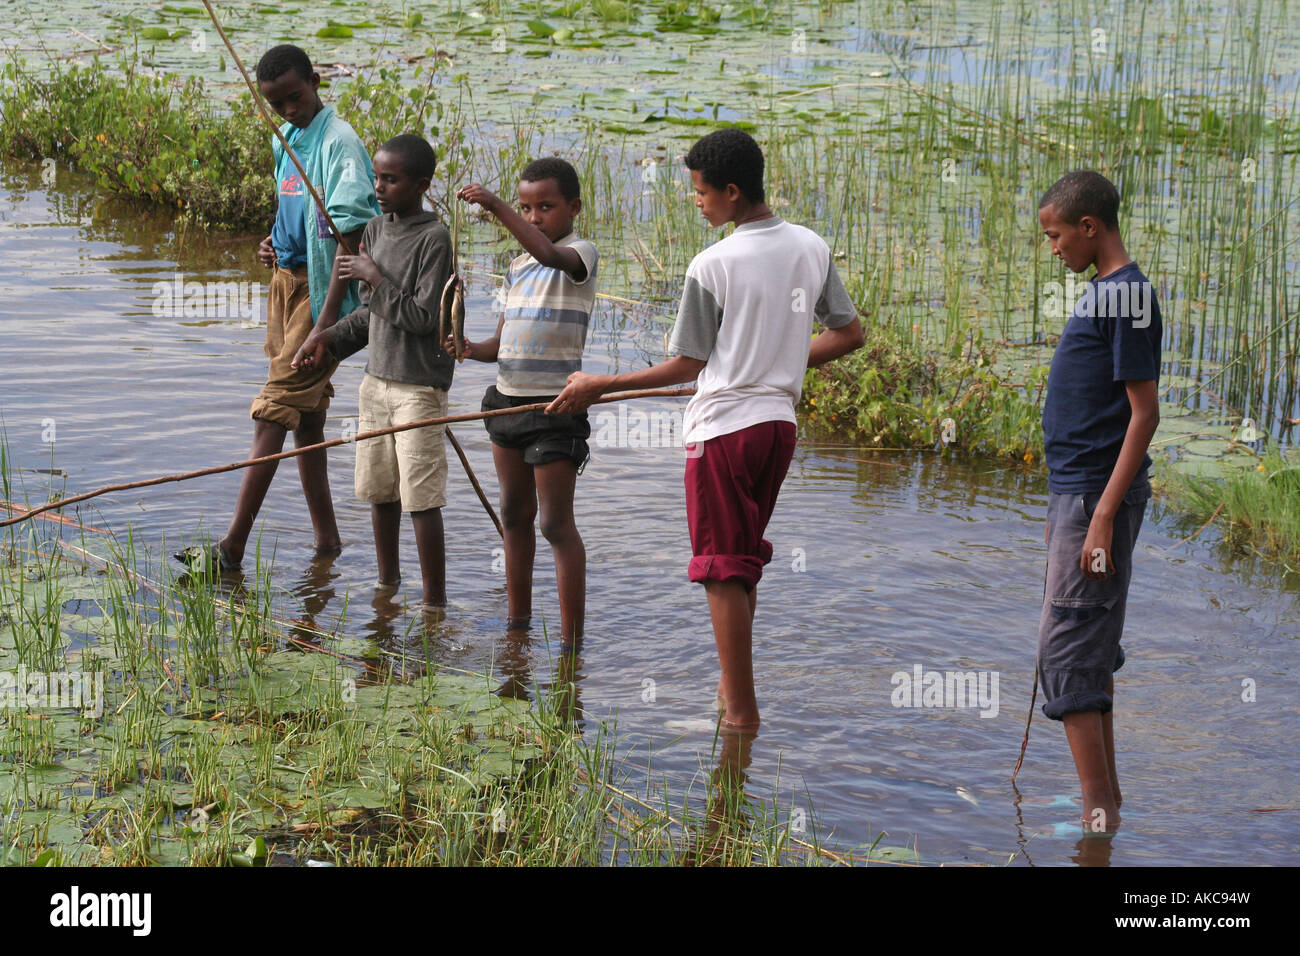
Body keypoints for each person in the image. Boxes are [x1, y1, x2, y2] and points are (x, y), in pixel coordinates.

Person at [547, 129, 864, 731]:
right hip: (777, 429)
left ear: (733, 191)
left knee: (720, 568)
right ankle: (728, 697)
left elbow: (686, 367)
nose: (697, 202)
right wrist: (778, 361)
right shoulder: (810, 246)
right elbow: (849, 333)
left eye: (701, 192)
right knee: (740, 561)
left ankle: (741, 717)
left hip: (723, 431)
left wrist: (598, 386)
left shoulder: (713, 263)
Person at [205, 44, 378, 572]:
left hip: (320, 296)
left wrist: (326, 327)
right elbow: (297, 213)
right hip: (285, 287)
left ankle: (231, 548)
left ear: (316, 81)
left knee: (274, 408)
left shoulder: (340, 143)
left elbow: (349, 242)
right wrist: (273, 242)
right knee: (306, 420)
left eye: (295, 97)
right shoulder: (287, 140)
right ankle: (327, 544)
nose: (287, 110)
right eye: (276, 103)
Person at [1036, 169, 1161, 832]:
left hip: (1092, 499)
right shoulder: (1110, 293)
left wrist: (1102, 519)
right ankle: (1105, 802)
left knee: (1067, 652)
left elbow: (1145, 413)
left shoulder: (1126, 298)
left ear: (1090, 227)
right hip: (1081, 495)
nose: (1053, 247)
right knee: (1090, 643)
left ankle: (1097, 813)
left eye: (1057, 235)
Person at [292, 135, 453, 607]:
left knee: (420, 499)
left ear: (421, 185)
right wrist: (329, 339)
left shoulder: (433, 239)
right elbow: (369, 316)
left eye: (391, 179)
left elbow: (425, 318)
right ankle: (387, 586)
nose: (379, 187)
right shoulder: (376, 232)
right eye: (377, 177)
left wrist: (374, 276)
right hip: (376, 381)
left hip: (418, 387)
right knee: (380, 491)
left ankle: (433, 604)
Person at [450, 159, 597, 647]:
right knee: (514, 516)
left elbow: (551, 255)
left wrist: (494, 206)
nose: (534, 218)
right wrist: (470, 349)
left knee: (555, 523)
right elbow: (502, 340)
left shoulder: (579, 255)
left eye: (546, 207)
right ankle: (518, 626)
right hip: (507, 403)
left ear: (573, 208)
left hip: (556, 408)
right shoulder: (516, 268)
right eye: (526, 208)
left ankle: (571, 643)